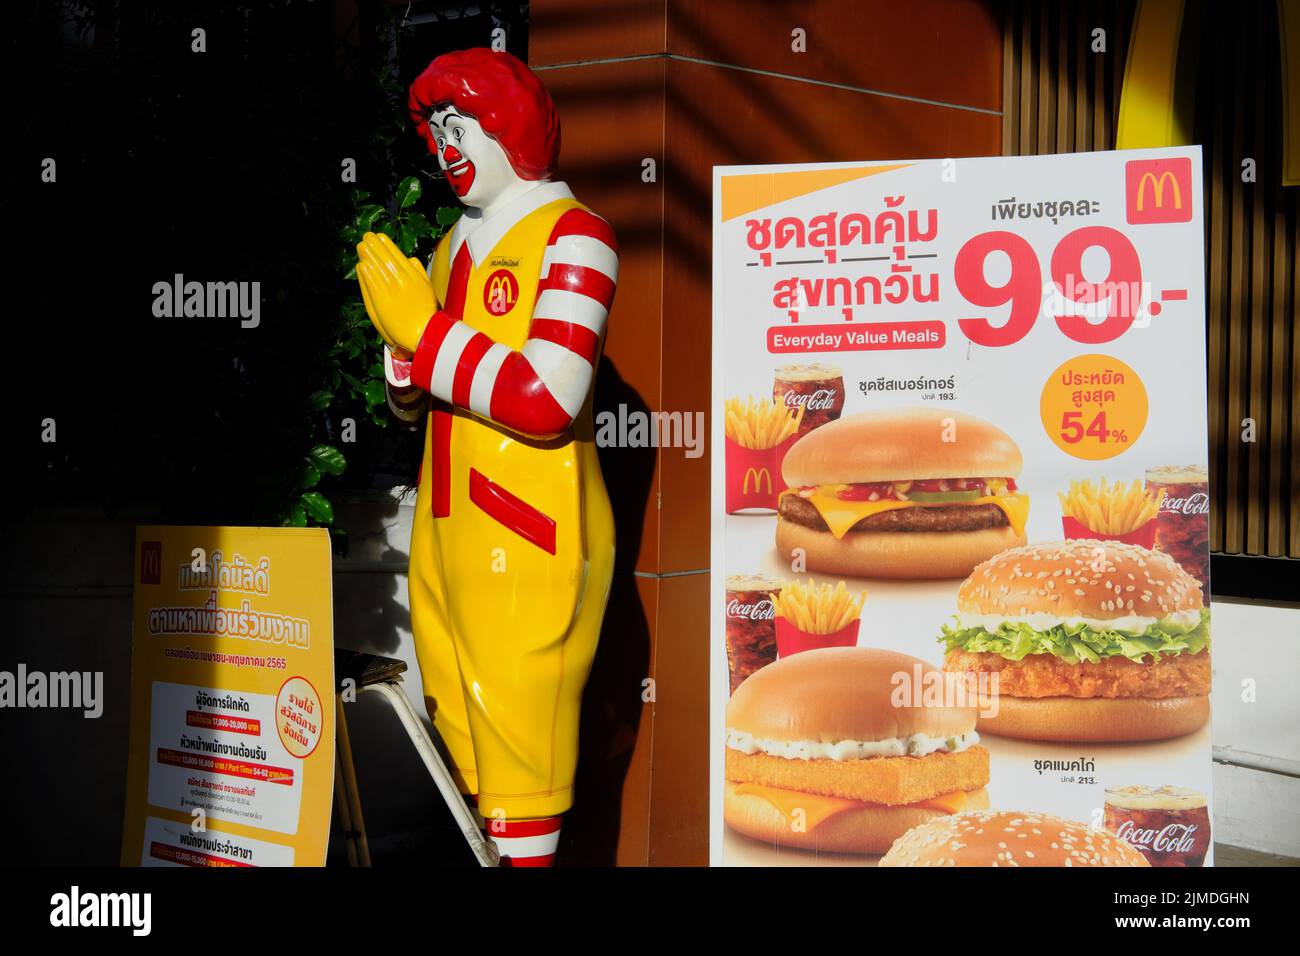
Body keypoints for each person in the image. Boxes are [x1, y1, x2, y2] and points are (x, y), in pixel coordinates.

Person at [355, 48, 617, 867]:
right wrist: (402, 363)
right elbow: (416, 405)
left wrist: (423, 334)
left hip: (530, 537)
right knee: (461, 762)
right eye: (435, 131)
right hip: (442, 537)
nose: (445, 148)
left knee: (522, 769)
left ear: (510, 127)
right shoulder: (445, 250)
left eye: (458, 125)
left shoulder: (578, 238)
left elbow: (549, 397)